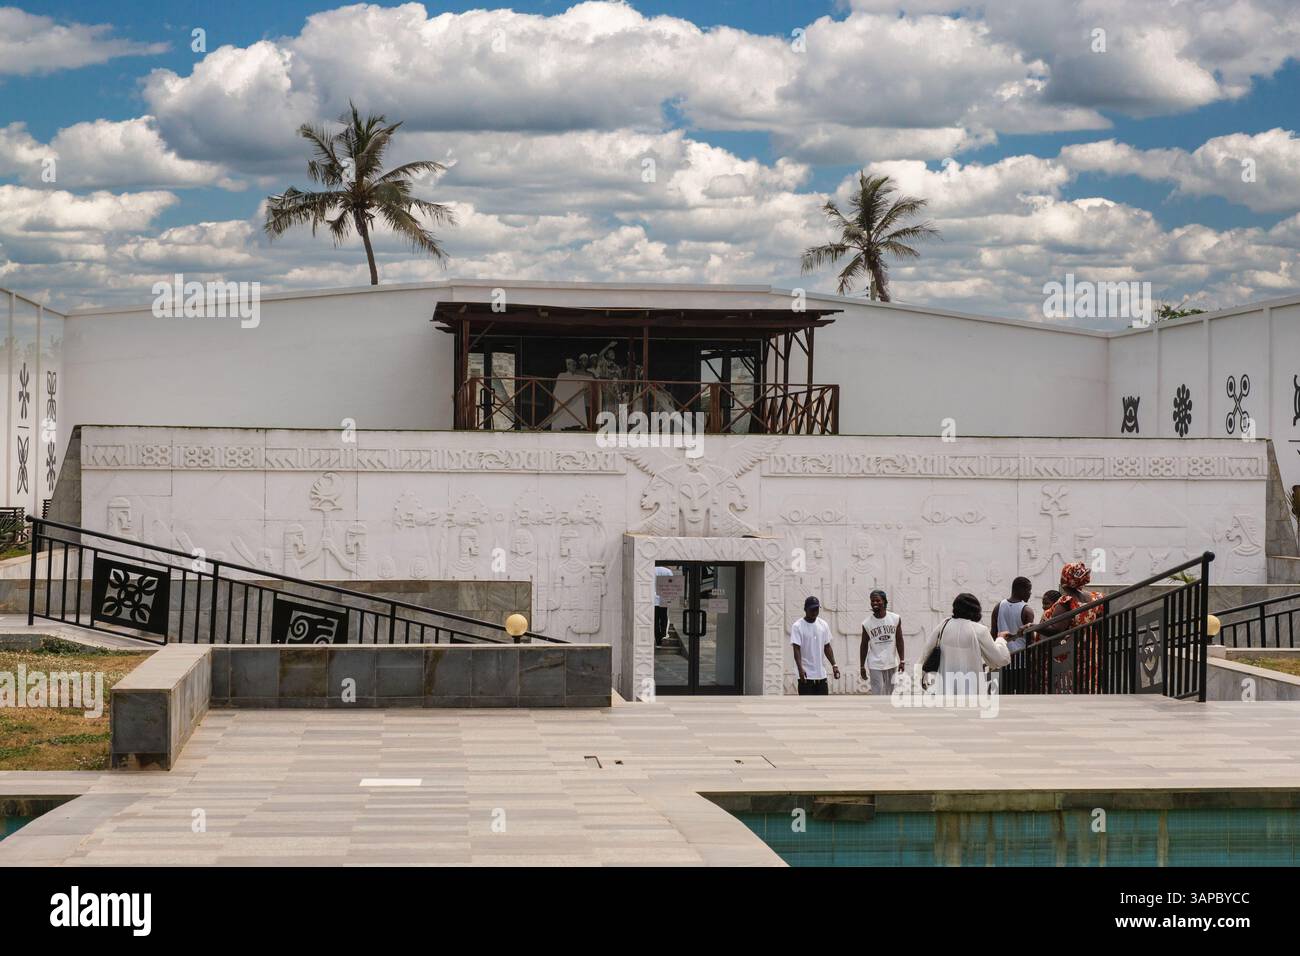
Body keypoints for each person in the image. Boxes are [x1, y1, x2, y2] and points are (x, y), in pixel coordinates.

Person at [911, 592, 1010, 689]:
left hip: (945, 688)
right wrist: (1001, 639)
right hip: (971, 689)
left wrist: (918, 676)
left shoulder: (943, 625)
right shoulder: (979, 630)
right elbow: (999, 658)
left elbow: (926, 652)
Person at [1040, 563, 1105, 692]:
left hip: (1072, 653)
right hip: (1092, 652)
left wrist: (1035, 627)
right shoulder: (1095, 598)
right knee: (1089, 686)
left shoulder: (1067, 602)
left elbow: (1056, 630)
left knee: (1071, 688)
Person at [859, 589, 903, 696]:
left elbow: (899, 640)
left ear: (884, 601)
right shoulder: (867, 623)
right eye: (872, 601)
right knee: (877, 693)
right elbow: (864, 645)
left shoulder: (895, 618)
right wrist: (862, 666)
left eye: (878, 600)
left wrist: (902, 660)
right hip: (875, 663)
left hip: (891, 662)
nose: (875, 603)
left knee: (890, 693)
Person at [792, 595, 839, 695]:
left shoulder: (823, 625)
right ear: (805, 609)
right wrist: (800, 669)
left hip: (821, 675)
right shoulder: (797, 626)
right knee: (806, 703)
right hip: (805, 675)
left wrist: (834, 665)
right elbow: (796, 649)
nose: (814, 612)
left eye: (816, 609)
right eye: (812, 609)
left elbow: (827, 647)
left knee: (823, 703)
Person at [992, 576, 1036, 653]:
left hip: (1002, 655)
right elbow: (1031, 639)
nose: (1030, 593)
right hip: (1021, 656)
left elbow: (993, 634)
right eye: (1029, 590)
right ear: (1021, 590)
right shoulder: (1027, 610)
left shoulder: (998, 607)